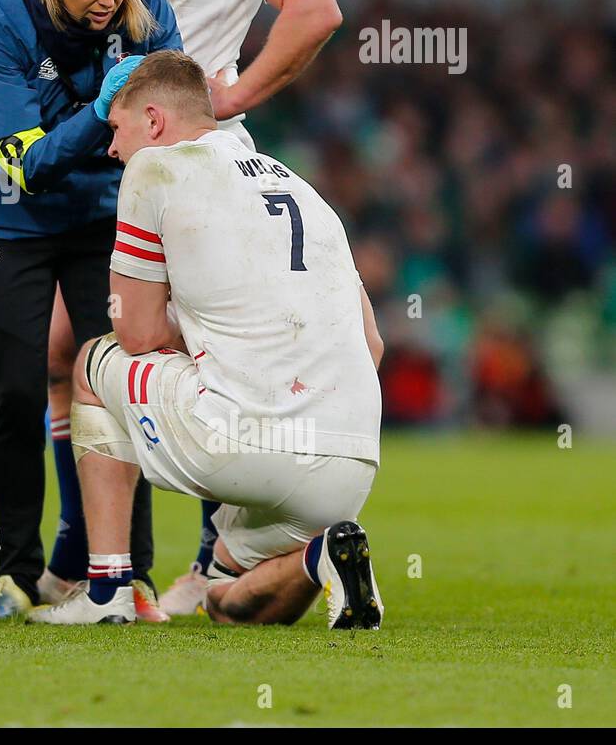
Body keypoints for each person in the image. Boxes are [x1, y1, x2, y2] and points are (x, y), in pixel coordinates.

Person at [104, 0, 347, 616]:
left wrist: (234, 90)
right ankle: (123, 566)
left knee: (175, 349)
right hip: (126, 157)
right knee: (85, 348)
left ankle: (166, 568)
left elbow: (314, 7)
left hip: (198, 171)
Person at [29, 51, 383, 628]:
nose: (111, 149)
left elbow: (138, 334)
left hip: (243, 439)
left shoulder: (155, 170)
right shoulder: (303, 189)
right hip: (348, 467)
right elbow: (372, 346)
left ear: (153, 119)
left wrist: (197, 338)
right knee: (228, 602)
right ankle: (324, 557)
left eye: (115, 129)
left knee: (92, 362)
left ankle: (108, 591)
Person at [0, 0, 183, 621]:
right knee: (16, 394)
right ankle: (17, 572)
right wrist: (105, 111)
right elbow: (27, 167)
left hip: (102, 224)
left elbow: (171, 128)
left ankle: (125, 572)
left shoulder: (146, 8)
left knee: (120, 390)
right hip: (5, 226)